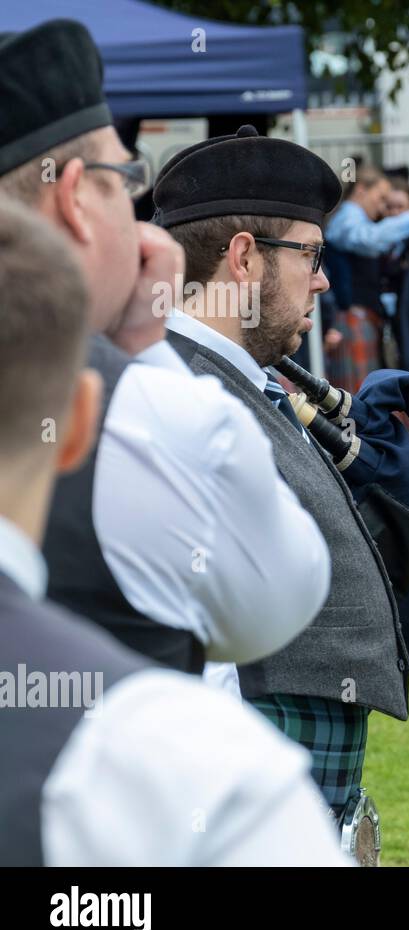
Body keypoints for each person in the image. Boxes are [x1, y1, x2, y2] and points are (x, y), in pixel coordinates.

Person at [151, 125, 409, 823]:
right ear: (245, 259)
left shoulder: (246, 383)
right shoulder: (178, 394)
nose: (324, 278)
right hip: (240, 776)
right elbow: (180, 631)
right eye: (311, 254)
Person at [0, 197, 346, 867]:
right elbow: (287, 594)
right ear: (78, 426)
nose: (323, 278)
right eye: (311, 255)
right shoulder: (171, 760)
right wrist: (145, 358)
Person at [0, 18, 328, 675]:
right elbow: (286, 597)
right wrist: (145, 354)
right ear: (76, 200)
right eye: (124, 182)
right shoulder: (155, 410)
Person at [324, 164, 409, 391]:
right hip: (351, 316)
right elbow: (369, 239)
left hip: (361, 315)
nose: (383, 204)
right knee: (355, 392)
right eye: (381, 196)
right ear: (361, 190)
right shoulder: (348, 217)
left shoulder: (354, 217)